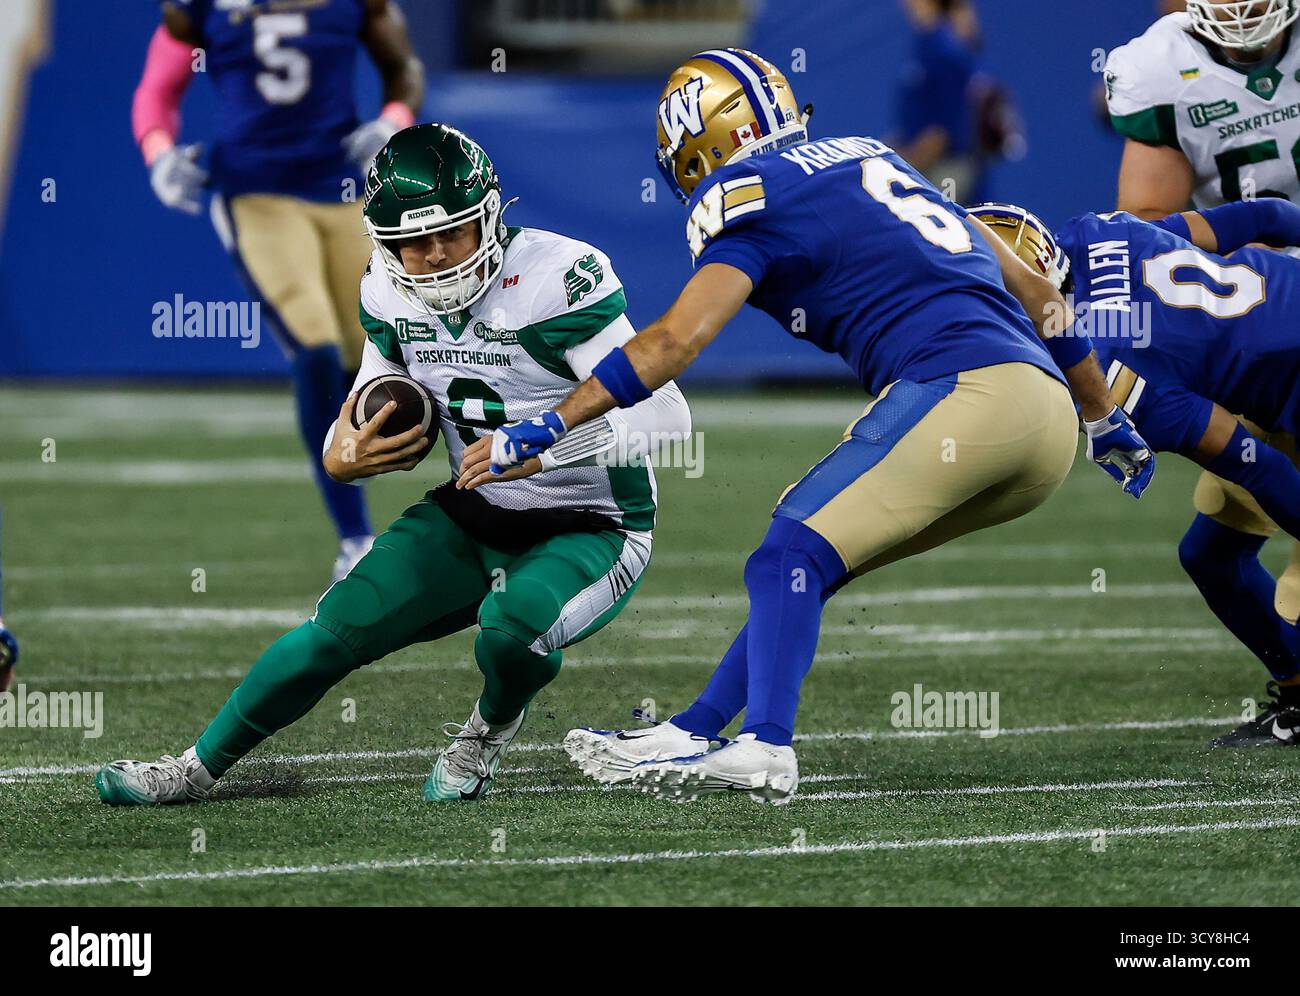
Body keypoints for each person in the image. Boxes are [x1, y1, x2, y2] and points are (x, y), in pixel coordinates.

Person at [467, 49, 1155, 803]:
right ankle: (695, 727)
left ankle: (765, 746)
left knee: (788, 549)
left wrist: (546, 426)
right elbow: (1034, 289)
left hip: (965, 388)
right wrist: (1101, 412)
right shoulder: (872, 155)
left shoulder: (749, 193)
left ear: (701, 145)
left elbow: (674, 342)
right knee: (810, 564)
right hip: (1042, 418)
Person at [94, 124, 691, 805]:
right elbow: (360, 408)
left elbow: (669, 418)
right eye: (414, 241)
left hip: (592, 524)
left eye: (454, 233)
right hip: (472, 511)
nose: (435, 257)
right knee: (332, 632)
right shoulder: (385, 288)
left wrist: (546, 439)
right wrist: (340, 454)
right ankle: (192, 769)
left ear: (491, 218)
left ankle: (483, 737)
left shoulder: (555, 280)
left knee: (512, 626)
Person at [979, 199, 1300, 745]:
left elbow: (1256, 464)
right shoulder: (1094, 231)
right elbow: (1267, 216)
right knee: (1211, 556)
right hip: (1281, 353)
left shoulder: (1110, 378)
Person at [134, 0, 425, 580]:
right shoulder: (198, 7)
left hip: (344, 188)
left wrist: (392, 121)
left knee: (370, 356)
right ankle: (356, 540)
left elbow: (404, 68)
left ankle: (485, 507)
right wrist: (159, 154)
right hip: (255, 191)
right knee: (313, 347)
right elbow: (158, 88)